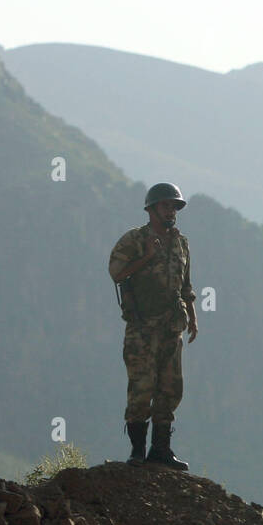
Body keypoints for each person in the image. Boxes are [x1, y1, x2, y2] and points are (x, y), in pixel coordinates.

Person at [107, 182, 199, 470]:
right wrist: (146, 256)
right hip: (143, 328)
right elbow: (116, 273)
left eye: (174, 206)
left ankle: (161, 450)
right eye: (165, 205)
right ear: (151, 209)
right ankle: (137, 452)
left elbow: (186, 284)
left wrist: (193, 316)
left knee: (170, 389)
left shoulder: (181, 242)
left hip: (173, 327)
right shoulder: (135, 239)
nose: (171, 211)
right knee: (141, 388)